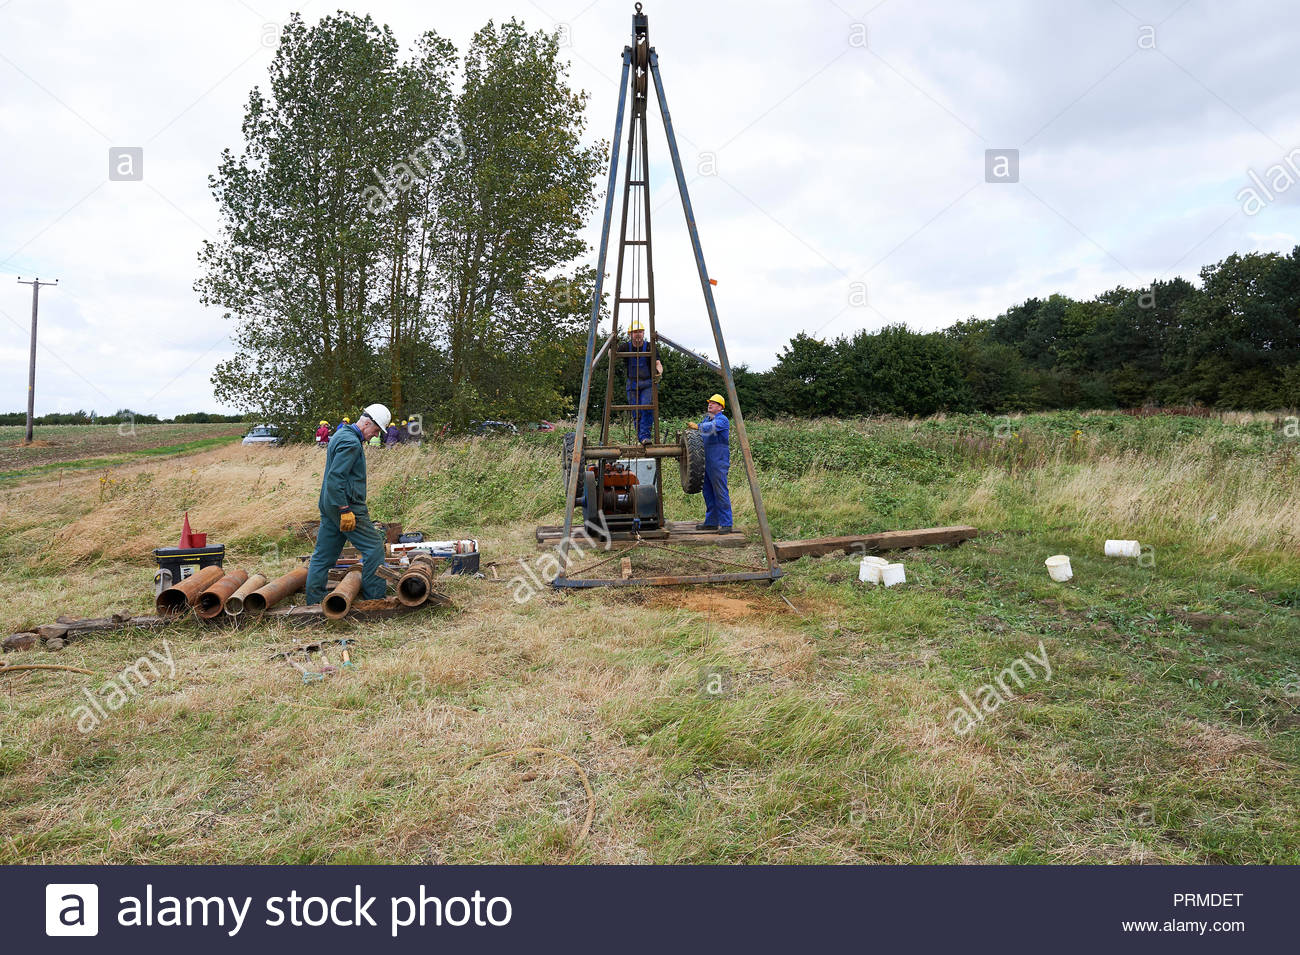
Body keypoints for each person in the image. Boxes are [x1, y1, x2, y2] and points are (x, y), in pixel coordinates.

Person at [306, 403, 392, 605]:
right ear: (367, 423)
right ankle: (375, 599)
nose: (375, 435)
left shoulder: (341, 434)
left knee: (323, 555)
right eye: (376, 430)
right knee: (374, 549)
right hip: (346, 506)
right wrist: (345, 510)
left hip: (329, 504)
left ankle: (314, 599)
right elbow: (336, 479)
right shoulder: (351, 443)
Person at [689, 393, 731, 532]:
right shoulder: (707, 419)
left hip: (718, 461)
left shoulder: (722, 420)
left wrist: (698, 427)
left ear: (720, 407)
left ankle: (726, 524)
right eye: (709, 402)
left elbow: (711, 427)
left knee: (720, 491)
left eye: (714, 403)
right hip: (706, 461)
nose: (710, 404)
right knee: (707, 491)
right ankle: (712, 522)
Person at [624, 320, 662, 443]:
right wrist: (611, 346)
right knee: (636, 412)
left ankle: (645, 437)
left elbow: (658, 363)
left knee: (647, 407)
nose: (638, 334)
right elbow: (611, 355)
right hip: (632, 384)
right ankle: (641, 437)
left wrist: (659, 373)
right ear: (630, 334)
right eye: (635, 332)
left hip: (647, 383)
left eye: (640, 331)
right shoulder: (625, 347)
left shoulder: (650, 346)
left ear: (644, 333)